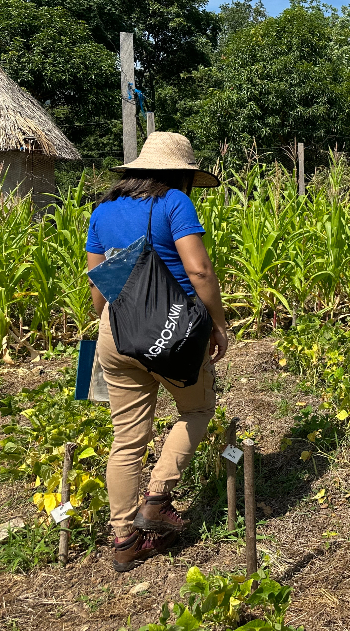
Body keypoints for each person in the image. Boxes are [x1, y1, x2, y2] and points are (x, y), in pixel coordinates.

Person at [86, 133, 228, 572]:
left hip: (116, 333)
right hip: (174, 334)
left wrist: (113, 322)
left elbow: (97, 285)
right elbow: (199, 269)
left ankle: (125, 539)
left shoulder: (102, 210)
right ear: (180, 174)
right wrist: (219, 324)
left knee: (126, 440)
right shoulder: (174, 203)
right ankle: (158, 497)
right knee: (198, 409)